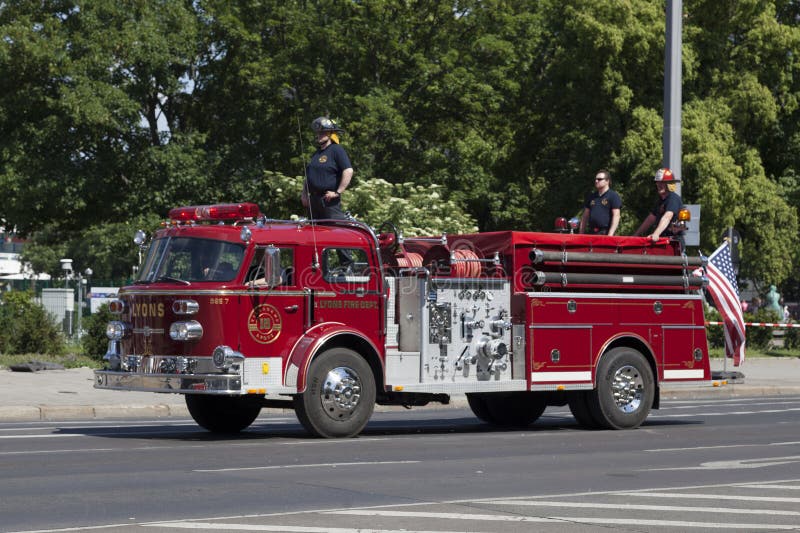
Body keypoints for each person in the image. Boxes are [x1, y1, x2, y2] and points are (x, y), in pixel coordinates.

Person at [301, 116, 353, 221]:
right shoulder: (316, 154)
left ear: (331, 134)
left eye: (323, 133)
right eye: (318, 133)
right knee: (314, 233)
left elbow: (348, 170)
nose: (319, 135)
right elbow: (309, 176)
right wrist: (304, 193)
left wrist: (338, 192)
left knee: (332, 232)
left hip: (328, 201)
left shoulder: (336, 150)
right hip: (314, 202)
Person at [633, 167, 685, 251]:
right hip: (663, 241)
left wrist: (656, 234)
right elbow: (650, 219)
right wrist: (635, 235)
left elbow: (667, 217)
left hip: (673, 243)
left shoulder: (673, 198)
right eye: (657, 182)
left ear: (669, 184)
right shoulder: (660, 201)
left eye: (662, 182)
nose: (659, 185)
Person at [579, 169, 621, 236]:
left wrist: (610, 234)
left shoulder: (613, 196)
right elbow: (585, 216)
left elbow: (616, 215)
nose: (596, 181)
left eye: (599, 179)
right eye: (595, 179)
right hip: (591, 233)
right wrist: (581, 234)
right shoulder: (591, 196)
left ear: (607, 181)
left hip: (605, 233)